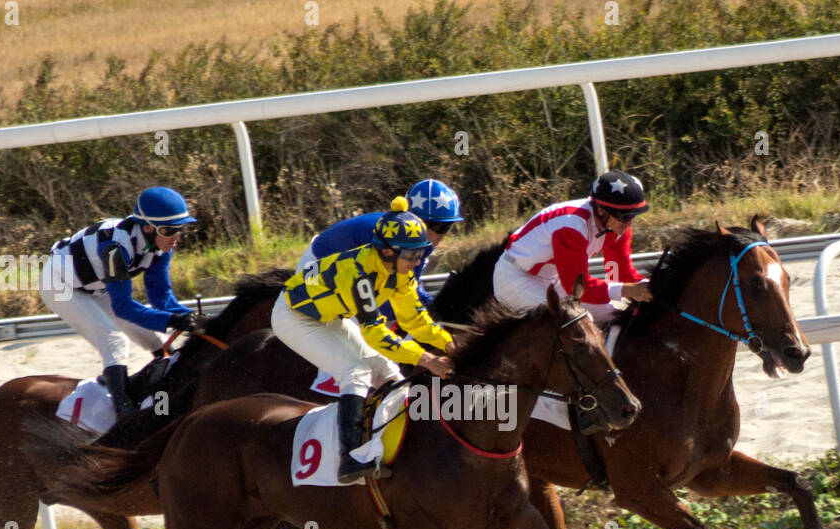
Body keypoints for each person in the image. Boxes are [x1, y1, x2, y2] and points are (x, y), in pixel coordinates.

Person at [273, 200, 455, 483]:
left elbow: (414, 320)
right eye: (412, 254)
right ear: (386, 251)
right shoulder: (359, 275)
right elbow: (377, 335)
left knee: (389, 373)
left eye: (422, 252)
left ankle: (392, 443)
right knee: (356, 370)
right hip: (293, 317)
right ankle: (350, 457)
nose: (418, 262)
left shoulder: (398, 269)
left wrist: (449, 344)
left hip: (329, 315)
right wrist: (428, 360)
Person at [40, 186, 206, 418]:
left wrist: (190, 317)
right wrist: (172, 319)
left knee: (157, 340)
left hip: (97, 286)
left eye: (180, 229)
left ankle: (169, 387)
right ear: (147, 227)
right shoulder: (115, 248)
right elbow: (123, 307)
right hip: (60, 286)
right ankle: (123, 410)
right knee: (114, 340)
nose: (176, 238)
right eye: (169, 230)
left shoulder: (161, 244)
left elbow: (161, 298)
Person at [493, 170, 652, 323]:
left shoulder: (617, 228)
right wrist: (628, 290)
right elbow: (576, 287)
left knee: (611, 315)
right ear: (601, 210)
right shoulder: (571, 226)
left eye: (633, 215)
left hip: (553, 279)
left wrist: (653, 286)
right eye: (624, 216)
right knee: (574, 321)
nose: (628, 223)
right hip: (516, 277)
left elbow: (618, 274)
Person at [296, 179, 464, 315]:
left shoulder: (423, 240)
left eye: (446, 227)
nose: (441, 234)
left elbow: (410, 287)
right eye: (437, 226)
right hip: (315, 273)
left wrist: (432, 305)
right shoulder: (387, 236)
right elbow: (385, 304)